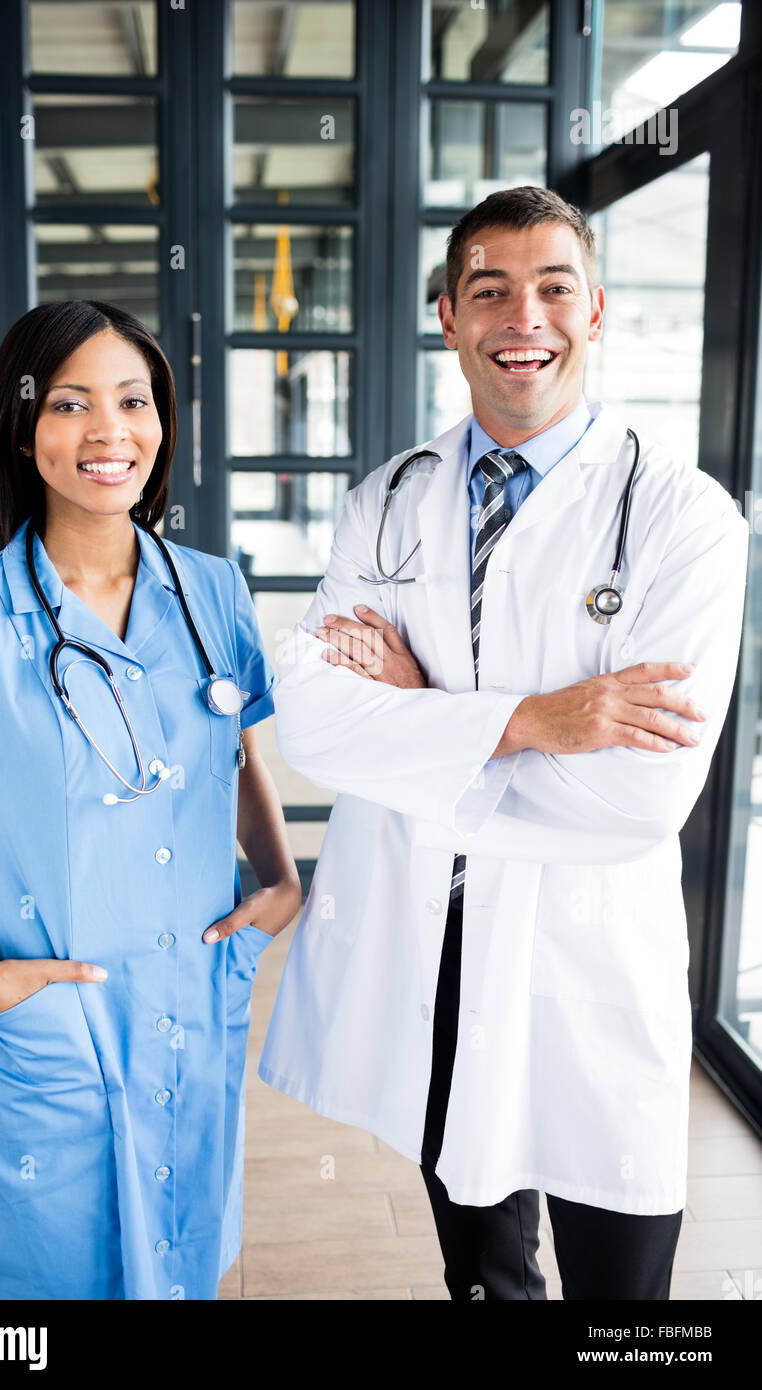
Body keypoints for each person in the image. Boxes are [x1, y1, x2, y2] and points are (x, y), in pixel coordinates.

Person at [256, 186, 750, 1300]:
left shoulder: (684, 521)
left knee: (621, 1290)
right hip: (427, 946)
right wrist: (528, 723)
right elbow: (315, 723)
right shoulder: (384, 502)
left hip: (587, 959)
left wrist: (418, 720)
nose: (520, 316)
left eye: (551, 287)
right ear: (448, 315)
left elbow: (635, 799)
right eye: (488, 290)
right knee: (479, 1270)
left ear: (595, 309)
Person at [0, 299, 300, 1300]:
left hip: (191, 1001)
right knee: (43, 1286)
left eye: (133, 400)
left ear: (161, 422)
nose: (108, 432)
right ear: (23, 429)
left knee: (180, 1264)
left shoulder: (214, 591)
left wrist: (281, 876)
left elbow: (238, 749)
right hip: (49, 1025)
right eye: (70, 403)